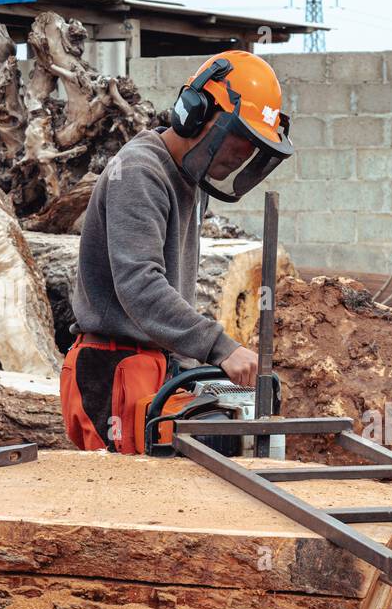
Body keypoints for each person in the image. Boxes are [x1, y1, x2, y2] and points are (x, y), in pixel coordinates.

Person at [60, 50, 293, 453]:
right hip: (114, 369)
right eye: (239, 137)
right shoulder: (139, 172)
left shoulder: (190, 180)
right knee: (121, 503)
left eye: (253, 145)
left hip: (156, 363)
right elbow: (140, 284)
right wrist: (220, 347)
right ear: (196, 112)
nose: (243, 154)